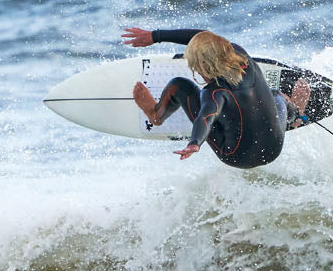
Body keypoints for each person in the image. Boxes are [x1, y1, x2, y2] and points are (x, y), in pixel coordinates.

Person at [122, 26, 310, 167]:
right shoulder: (242, 56)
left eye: (195, 66)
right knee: (275, 95)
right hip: (274, 148)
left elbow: (206, 116)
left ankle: (156, 115)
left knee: (180, 85)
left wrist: (194, 143)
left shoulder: (214, 93)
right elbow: (205, 38)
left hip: (237, 156)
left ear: (204, 67)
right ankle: (295, 114)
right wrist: (156, 36)